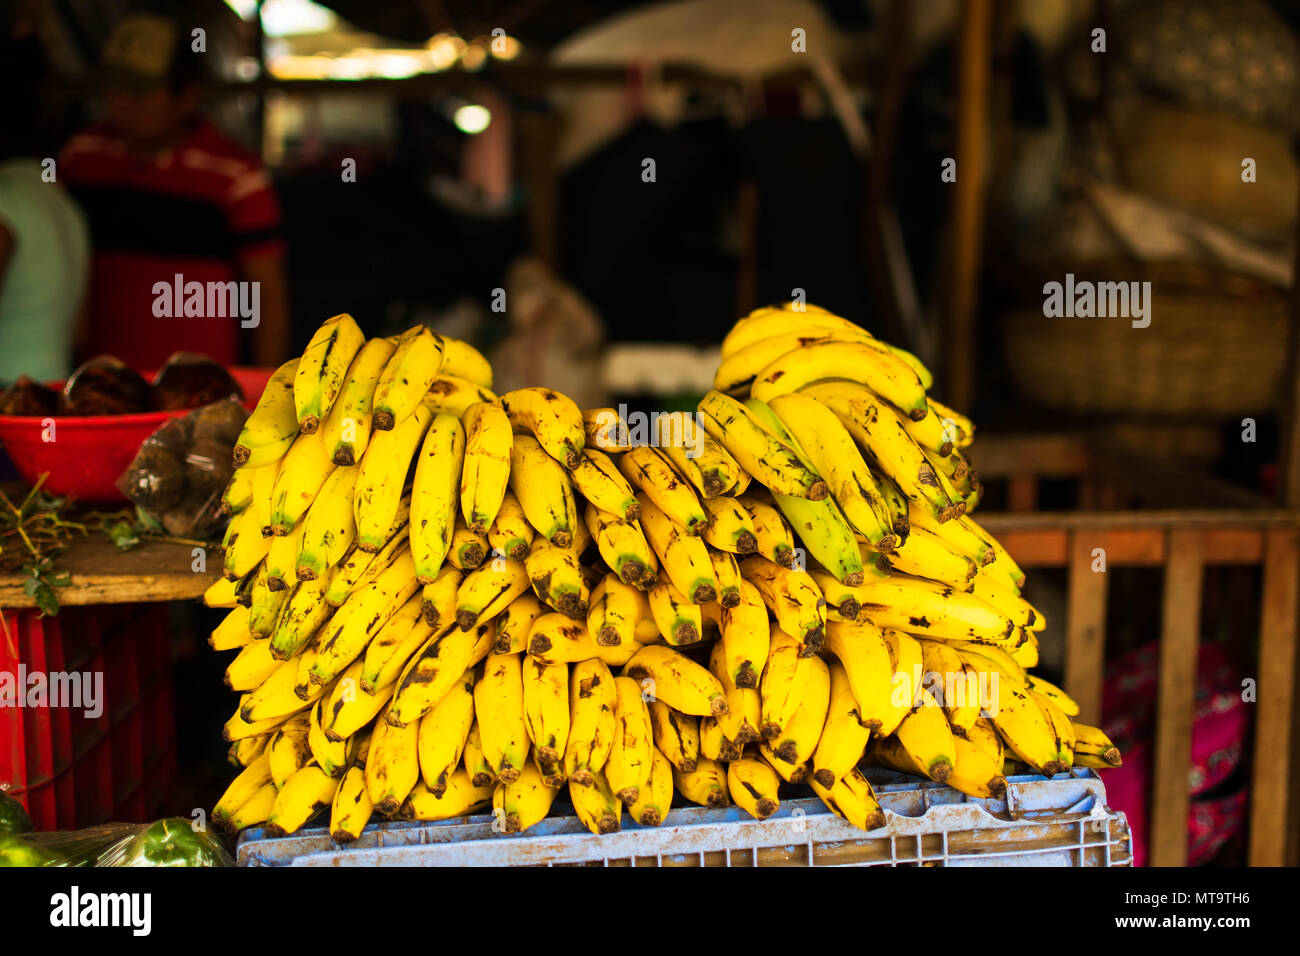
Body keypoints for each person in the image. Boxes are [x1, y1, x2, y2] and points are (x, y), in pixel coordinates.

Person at [59, 13, 289, 369]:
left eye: (138, 90)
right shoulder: (80, 158)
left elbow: (266, 296)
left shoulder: (237, 177)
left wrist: (266, 388)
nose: (120, 101)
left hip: (197, 394)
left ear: (187, 95)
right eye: (113, 86)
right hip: (100, 390)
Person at [0, 9, 89, 382]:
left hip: (9, 414)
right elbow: (80, 331)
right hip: (47, 405)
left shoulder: (7, 203)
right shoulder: (60, 201)